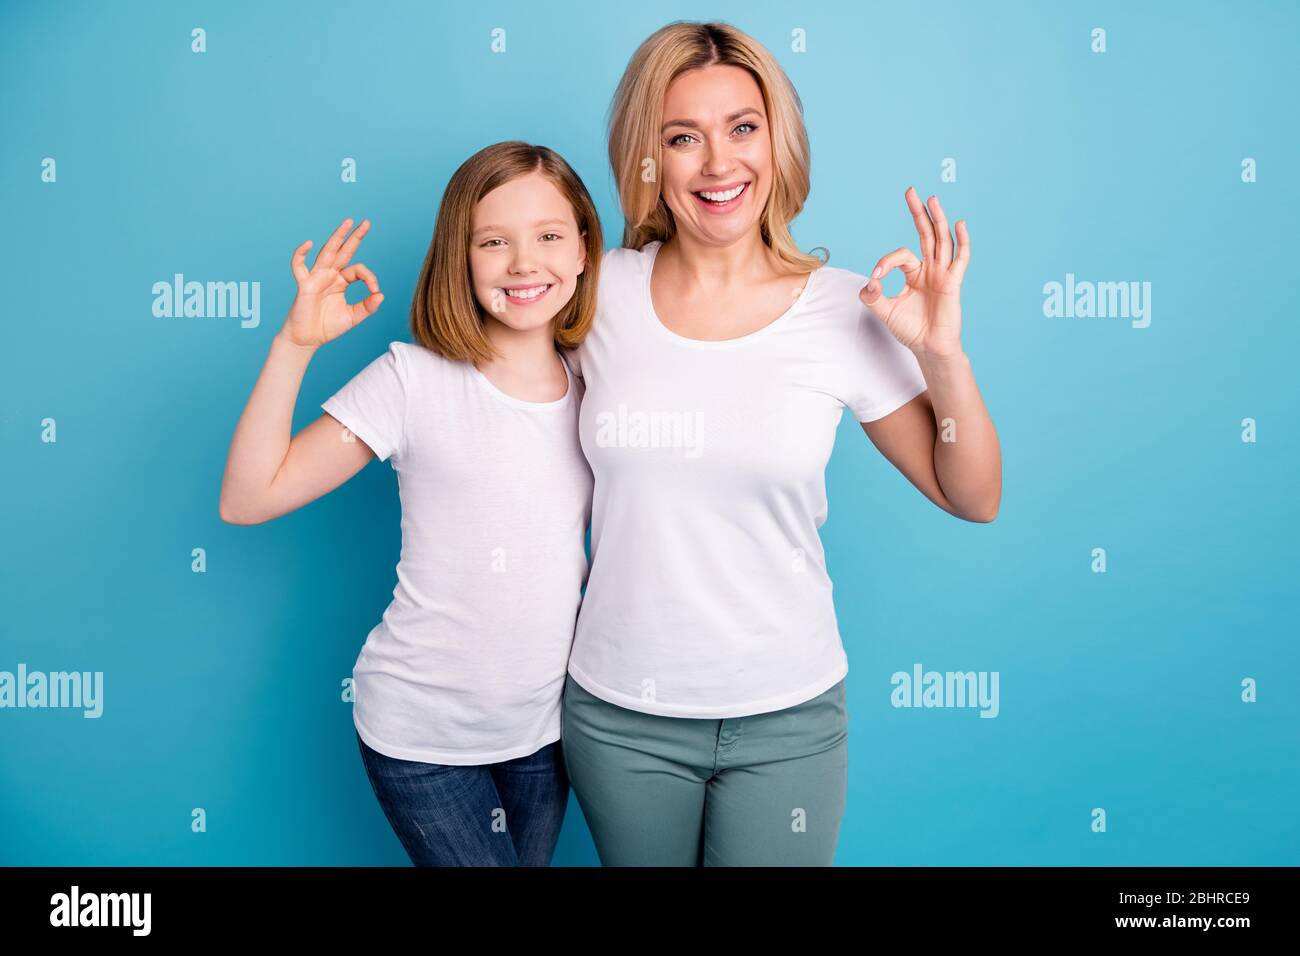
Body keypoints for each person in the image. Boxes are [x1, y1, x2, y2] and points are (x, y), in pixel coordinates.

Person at [559, 21, 1002, 866]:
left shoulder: (842, 307)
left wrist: (942, 355)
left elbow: (973, 495)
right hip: (620, 716)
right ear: (648, 161)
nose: (719, 163)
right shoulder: (594, 296)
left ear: (777, 141)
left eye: (742, 128)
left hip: (786, 718)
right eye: (682, 137)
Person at [219, 141, 602, 866]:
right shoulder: (411, 380)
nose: (524, 263)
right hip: (422, 733)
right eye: (493, 242)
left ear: (583, 248)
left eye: (549, 236)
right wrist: (294, 345)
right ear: (461, 257)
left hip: (549, 730)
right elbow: (248, 498)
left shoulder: (602, 386)